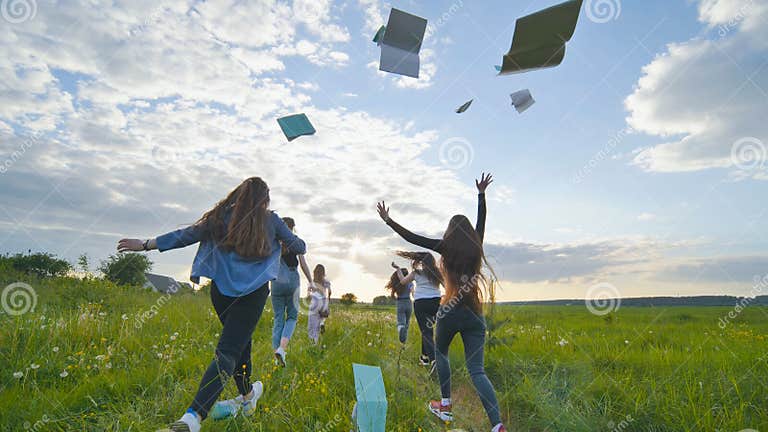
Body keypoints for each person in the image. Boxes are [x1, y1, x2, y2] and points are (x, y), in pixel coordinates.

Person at [117, 177, 306, 432]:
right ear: (265, 200)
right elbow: (300, 246)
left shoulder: (220, 217)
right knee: (229, 350)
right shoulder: (271, 220)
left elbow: (186, 235)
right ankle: (193, 417)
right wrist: (283, 239)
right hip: (253, 295)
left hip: (221, 292)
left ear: (238, 195)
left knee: (239, 344)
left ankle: (248, 397)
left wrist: (147, 244)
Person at [376, 173, 507, 432]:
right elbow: (482, 222)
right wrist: (481, 196)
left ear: (449, 232)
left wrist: (389, 221)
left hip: (449, 310)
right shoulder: (476, 245)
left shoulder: (444, 247)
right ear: (469, 233)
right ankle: (498, 426)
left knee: (440, 351)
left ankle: (445, 406)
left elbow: (413, 238)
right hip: (474, 314)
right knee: (477, 371)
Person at [271, 217, 313, 367]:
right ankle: (282, 349)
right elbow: (303, 264)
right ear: (292, 227)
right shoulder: (295, 242)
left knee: (278, 319)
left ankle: (277, 360)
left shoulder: (274, 241)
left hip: (276, 281)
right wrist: (311, 281)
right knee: (292, 317)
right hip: (292, 280)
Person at [391, 251, 443, 367]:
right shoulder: (438, 273)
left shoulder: (416, 273)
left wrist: (398, 269)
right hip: (436, 303)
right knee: (427, 330)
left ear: (421, 262)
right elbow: (447, 286)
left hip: (421, 303)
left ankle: (434, 360)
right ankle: (425, 359)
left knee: (426, 332)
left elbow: (403, 281)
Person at [385, 266, 414, 344]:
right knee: (407, 324)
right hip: (408, 303)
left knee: (401, 322)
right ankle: (403, 343)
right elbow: (412, 291)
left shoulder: (397, 284)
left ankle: (401, 330)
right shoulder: (410, 283)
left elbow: (392, 296)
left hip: (400, 302)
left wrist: (396, 298)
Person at [308, 264, 331, 344]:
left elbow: (309, 293)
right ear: (323, 272)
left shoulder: (312, 282)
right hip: (323, 301)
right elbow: (329, 292)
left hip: (315, 302)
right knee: (322, 316)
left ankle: (314, 343)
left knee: (312, 326)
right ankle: (321, 323)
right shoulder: (326, 282)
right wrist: (327, 301)